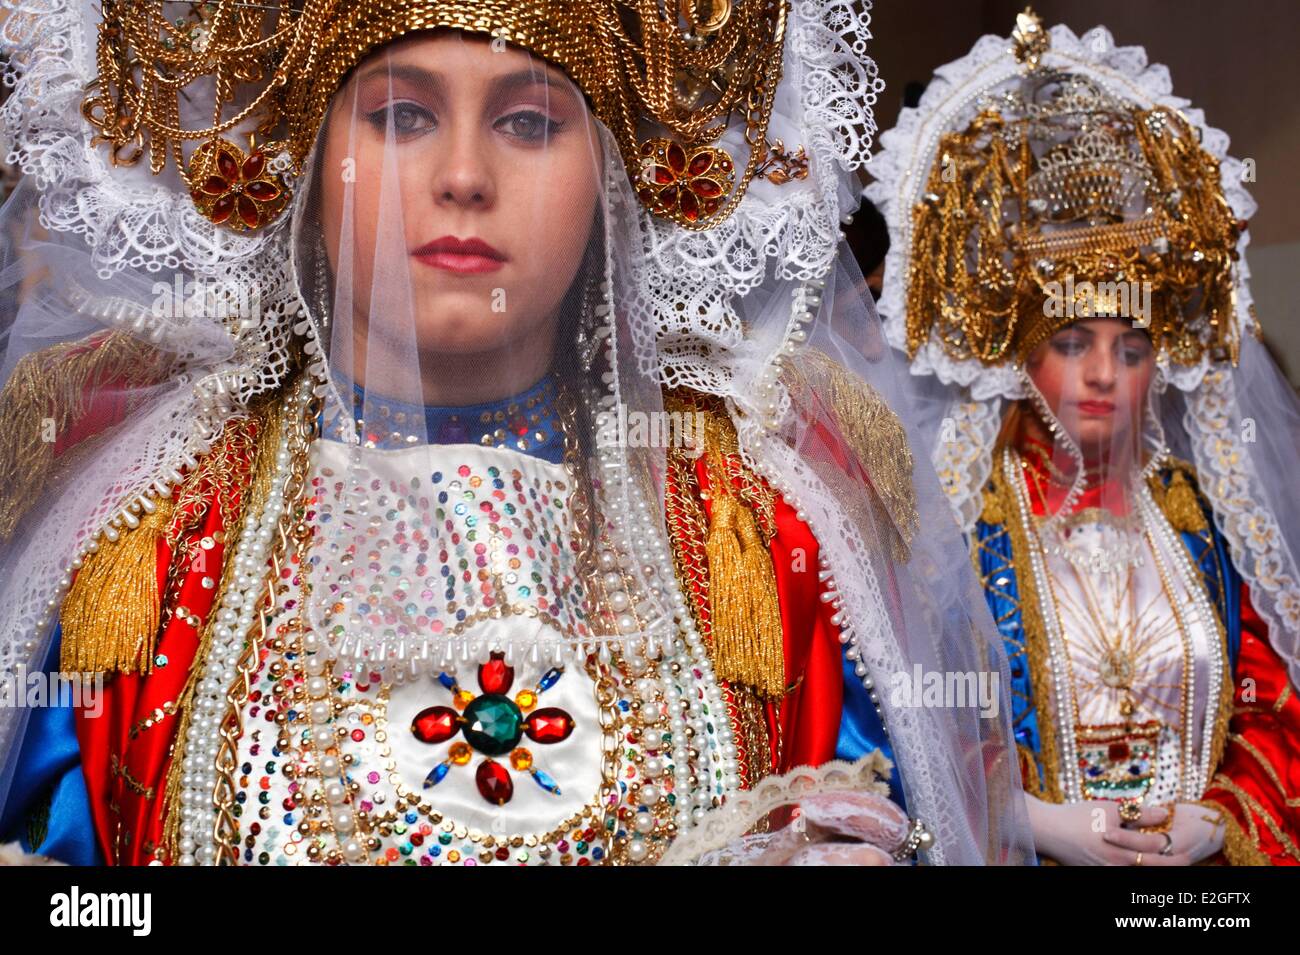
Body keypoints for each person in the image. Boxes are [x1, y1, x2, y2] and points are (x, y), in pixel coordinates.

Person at [0, 0, 1030, 866]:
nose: (463, 175)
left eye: (529, 124)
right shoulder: (157, 538)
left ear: (617, 179)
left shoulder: (757, 542)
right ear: (308, 164)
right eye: (401, 115)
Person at [867, 11, 1300, 865]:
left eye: (1131, 349)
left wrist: (1216, 820)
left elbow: (1272, 711)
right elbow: (901, 727)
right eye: (1072, 344)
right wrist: (1030, 821)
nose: (1104, 373)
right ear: (1018, 357)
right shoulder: (961, 523)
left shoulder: (1200, 517)